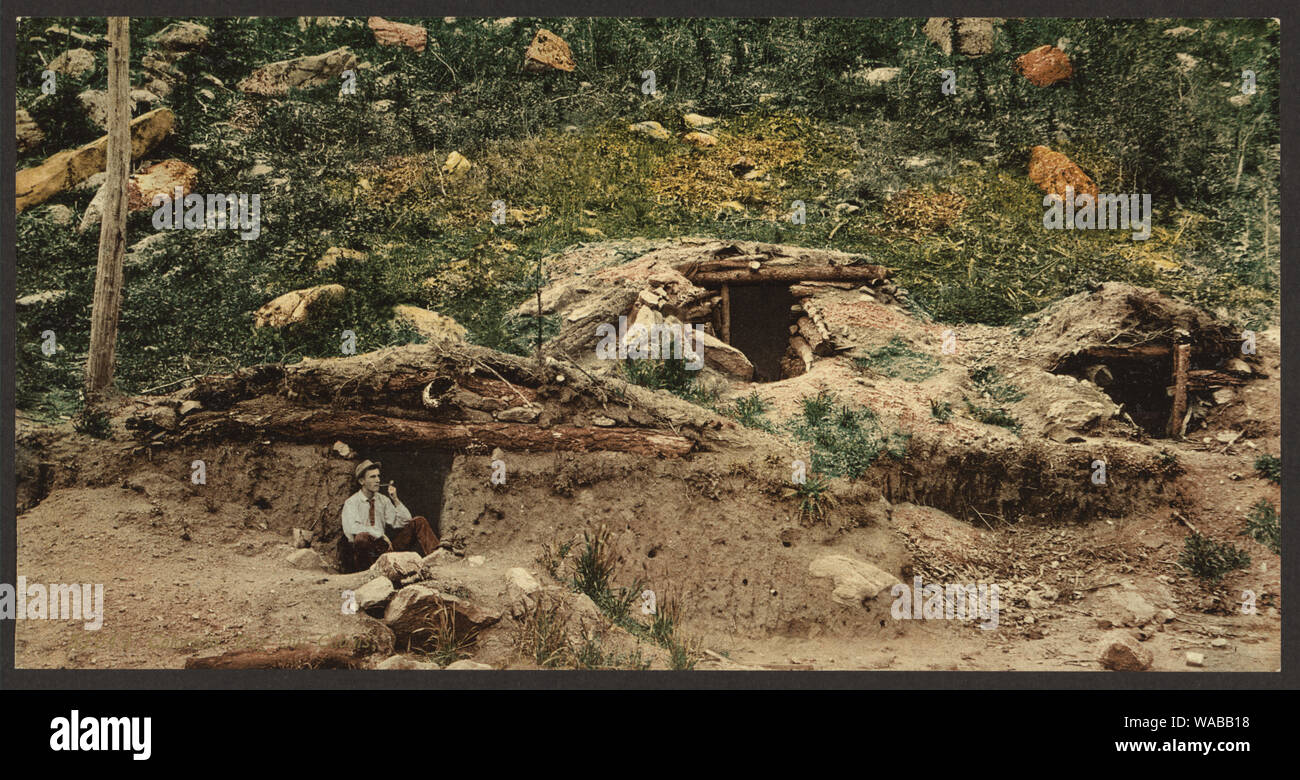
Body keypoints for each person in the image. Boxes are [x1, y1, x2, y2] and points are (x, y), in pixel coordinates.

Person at [339, 460, 439, 573]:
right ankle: (367, 573)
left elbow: (403, 521)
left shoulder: (383, 500)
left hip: (385, 550)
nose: (378, 480)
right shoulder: (351, 503)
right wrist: (379, 534)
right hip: (366, 553)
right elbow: (351, 528)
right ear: (362, 481)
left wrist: (395, 499)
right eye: (372, 477)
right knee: (361, 537)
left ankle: (438, 560)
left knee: (419, 521)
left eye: (378, 476)